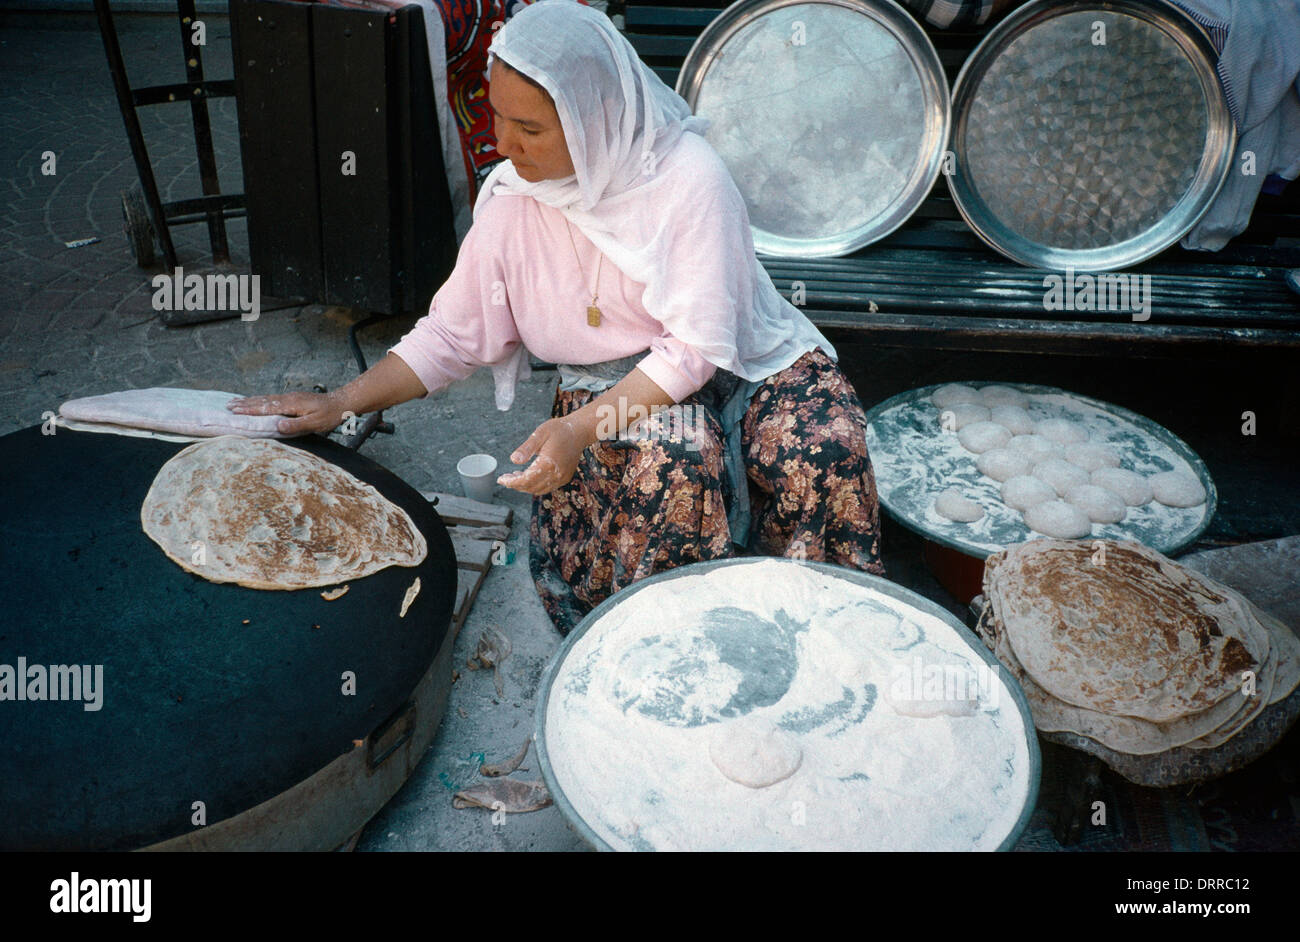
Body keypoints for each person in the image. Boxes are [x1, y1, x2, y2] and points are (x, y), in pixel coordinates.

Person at [230, 0, 885, 635]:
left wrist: (577, 430)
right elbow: (452, 334)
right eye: (495, 117)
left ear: (594, 117)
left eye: (532, 129)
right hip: (613, 385)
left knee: (823, 442)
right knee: (675, 462)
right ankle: (672, 643)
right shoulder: (514, 204)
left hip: (741, 356)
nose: (504, 144)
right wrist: (342, 402)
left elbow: (694, 351)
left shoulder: (689, 179)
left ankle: (816, 624)